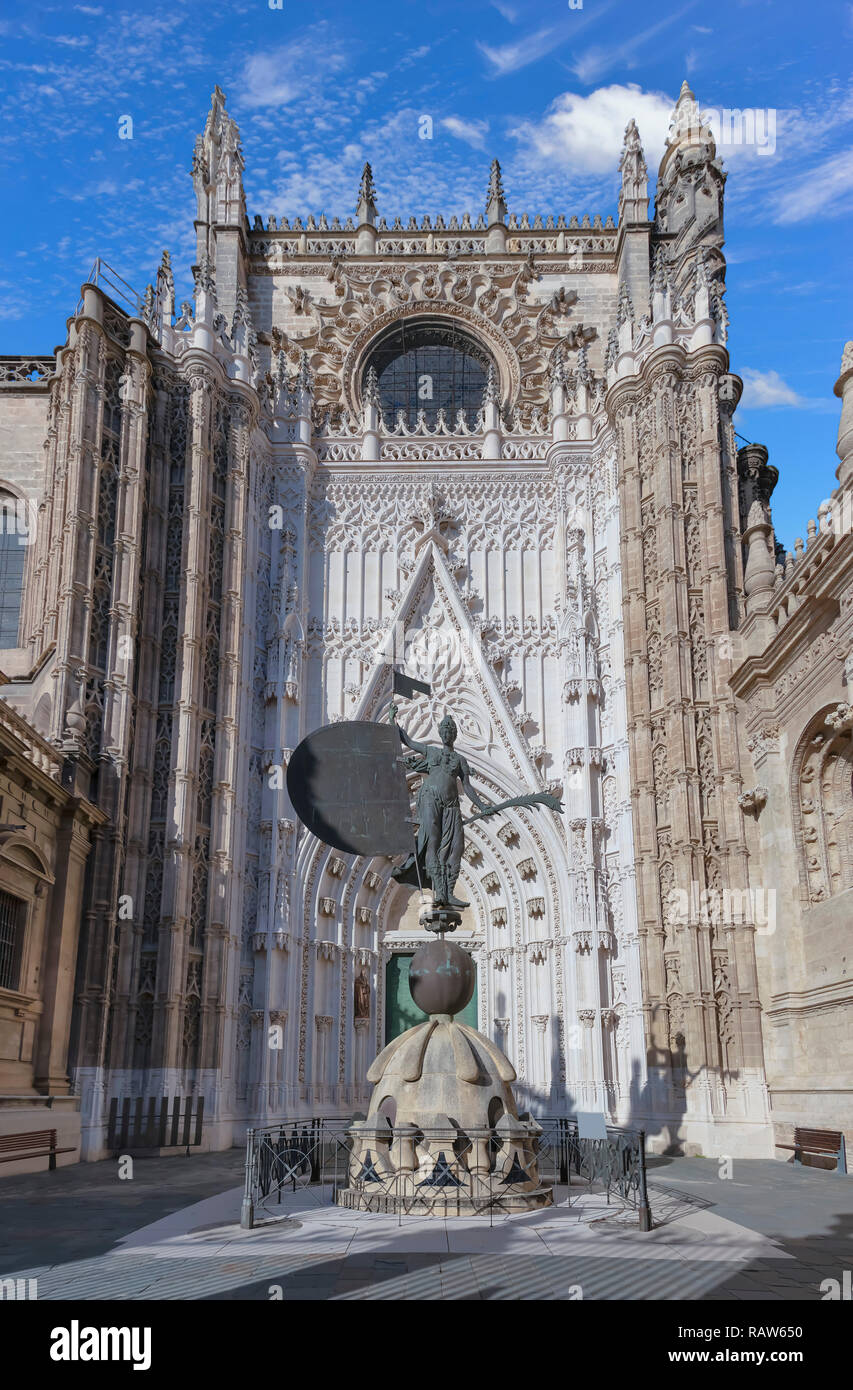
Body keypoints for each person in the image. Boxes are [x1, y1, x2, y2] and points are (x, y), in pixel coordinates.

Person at [389, 706, 492, 909]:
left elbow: (468, 786)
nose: (446, 733)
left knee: (457, 847)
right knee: (432, 843)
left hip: (452, 806)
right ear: (440, 733)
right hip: (430, 799)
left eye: (450, 731)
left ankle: (449, 892)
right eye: (444, 730)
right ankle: (439, 890)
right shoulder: (431, 751)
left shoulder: (459, 760)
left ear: (454, 735)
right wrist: (394, 720)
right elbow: (407, 741)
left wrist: (482, 806)